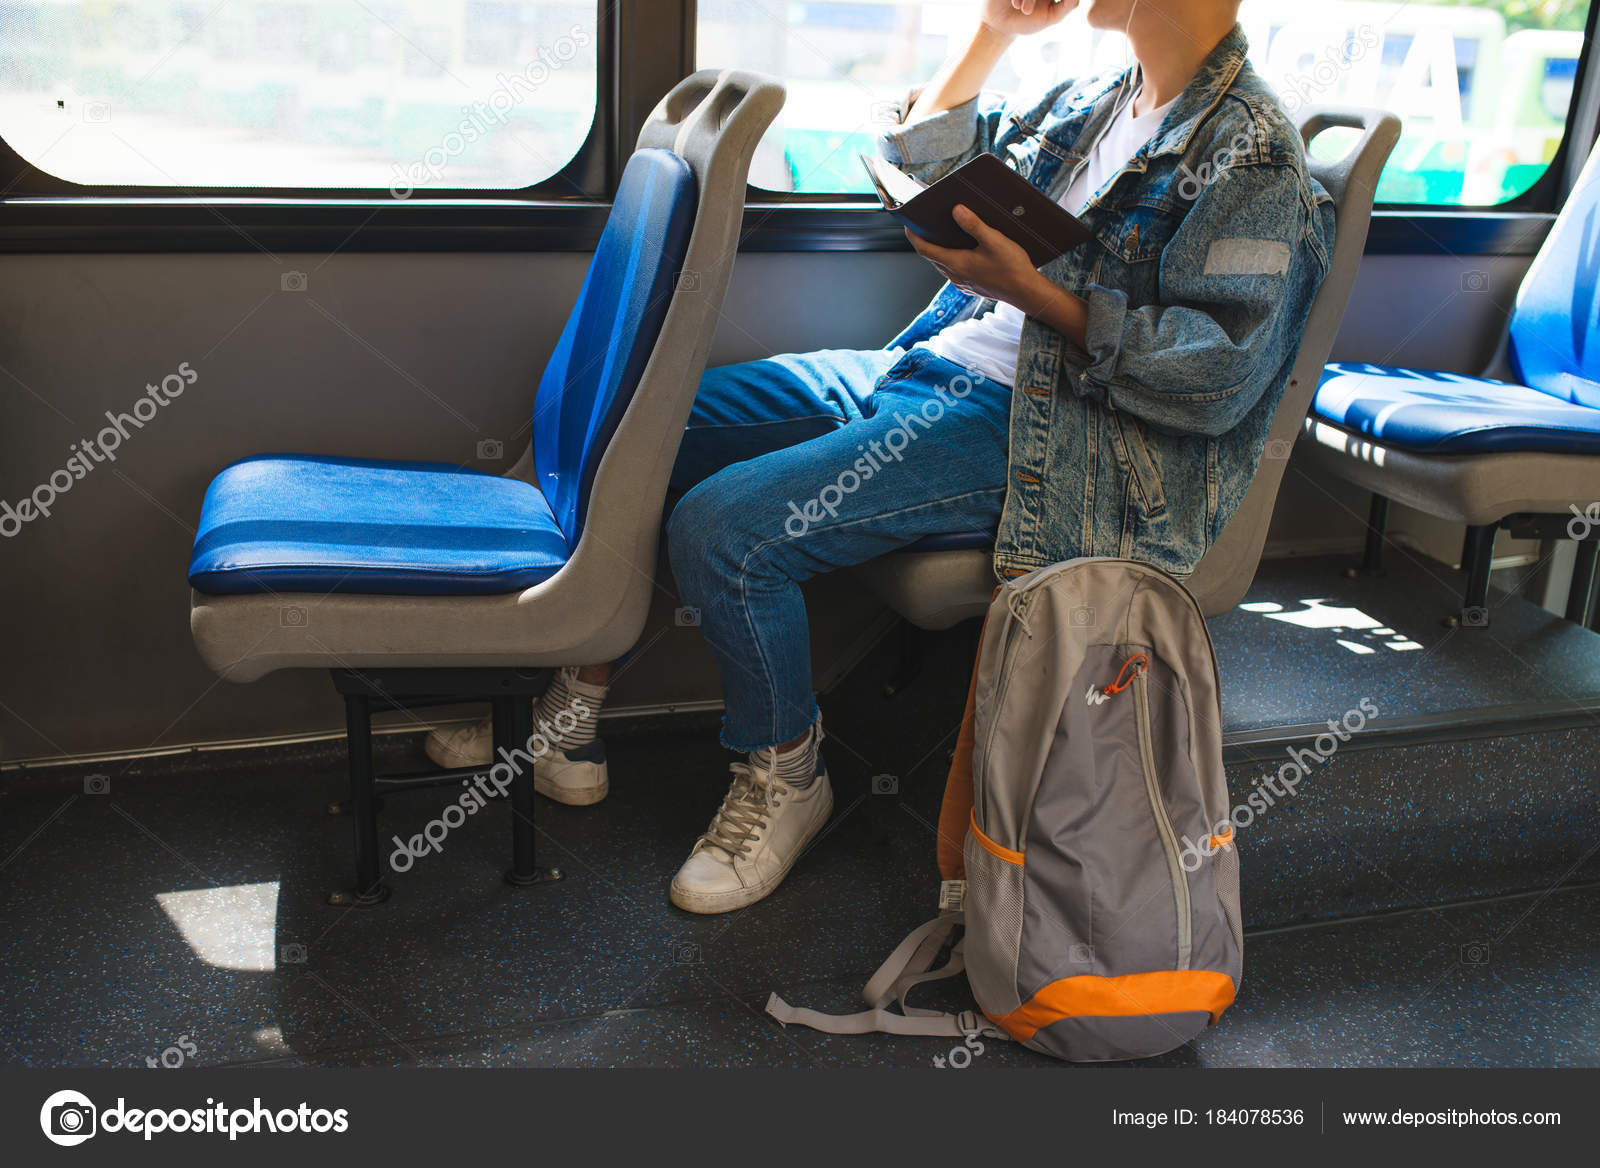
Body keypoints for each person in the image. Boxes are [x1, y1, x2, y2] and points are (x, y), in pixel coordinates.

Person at [428, 0, 1335, 914]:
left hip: (1049, 425)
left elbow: (1216, 374)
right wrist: (994, 33)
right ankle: (572, 705)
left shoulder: (1252, 152)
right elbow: (929, 161)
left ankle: (786, 773)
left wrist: (1034, 292)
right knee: (636, 422)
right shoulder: (1097, 98)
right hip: (926, 363)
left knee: (722, 529)